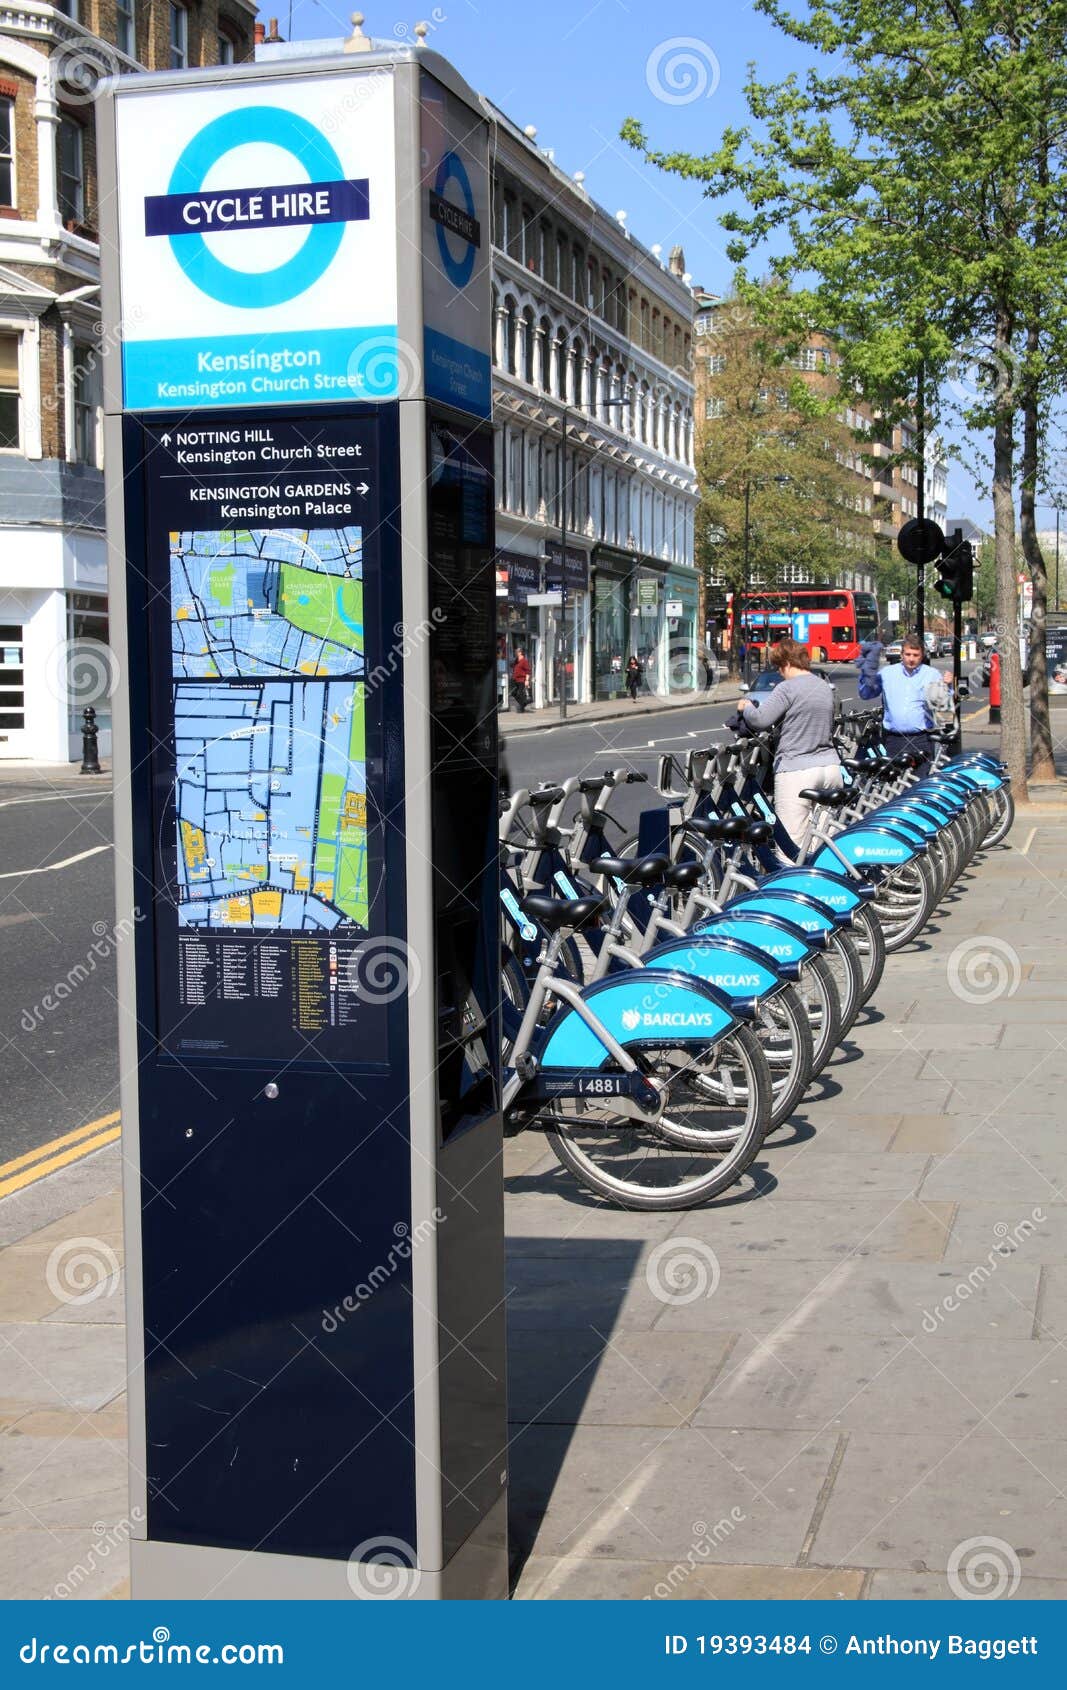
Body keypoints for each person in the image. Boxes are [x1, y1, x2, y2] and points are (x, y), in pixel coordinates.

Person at [736, 636, 842, 861]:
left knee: (790, 846)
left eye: (778, 668)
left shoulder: (787, 688)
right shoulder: (823, 686)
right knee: (822, 843)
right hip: (830, 768)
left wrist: (746, 707)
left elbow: (760, 720)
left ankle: (791, 893)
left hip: (797, 770)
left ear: (785, 664)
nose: (779, 673)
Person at [858, 631, 950, 777]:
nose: (911, 659)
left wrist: (946, 686)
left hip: (921, 739)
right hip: (893, 740)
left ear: (922, 655)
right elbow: (866, 694)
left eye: (915, 655)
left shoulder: (932, 674)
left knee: (919, 785)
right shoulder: (887, 673)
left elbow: (943, 707)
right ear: (901, 654)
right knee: (893, 786)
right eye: (908, 654)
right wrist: (866, 673)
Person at [510, 647, 531, 713]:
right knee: (513, 693)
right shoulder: (516, 660)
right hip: (515, 679)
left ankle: (522, 708)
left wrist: (527, 680)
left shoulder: (524, 661)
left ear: (520, 652)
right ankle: (524, 703)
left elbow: (528, 671)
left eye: (517, 652)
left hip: (521, 680)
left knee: (520, 694)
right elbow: (513, 666)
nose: (515, 653)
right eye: (515, 652)